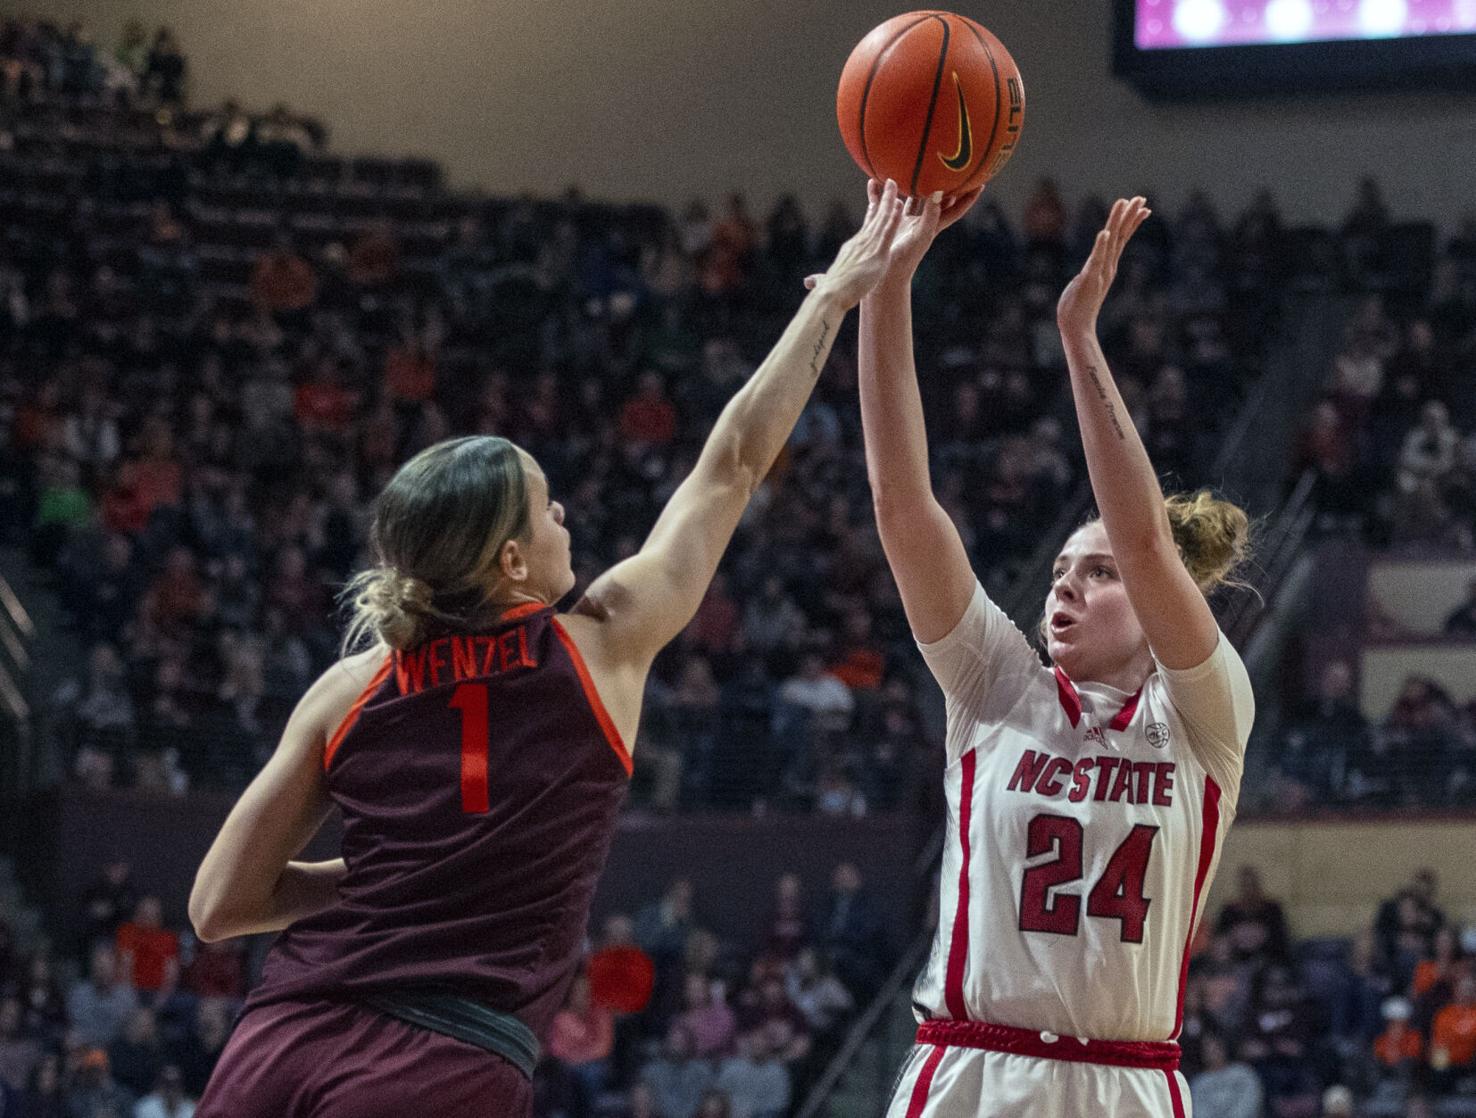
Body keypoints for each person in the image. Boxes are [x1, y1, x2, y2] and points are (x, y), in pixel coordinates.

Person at [185, 183, 908, 1118]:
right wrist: (831, 298)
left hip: (278, 1042)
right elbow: (730, 464)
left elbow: (217, 908)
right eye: (547, 503)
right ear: (514, 558)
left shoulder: (349, 687)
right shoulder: (600, 645)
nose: (567, 515)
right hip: (442, 1061)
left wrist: (378, 883)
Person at [850, 190, 1255, 1117]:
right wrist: (888, 287)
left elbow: (1150, 542)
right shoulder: (996, 682)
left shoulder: (1205, 716)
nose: (1065, 586)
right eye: (1062, 570)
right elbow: (902, 504)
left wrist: (1080, 339)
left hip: (1129, 1082)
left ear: (1161, 607)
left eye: (1099, 573)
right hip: (971, 1070)